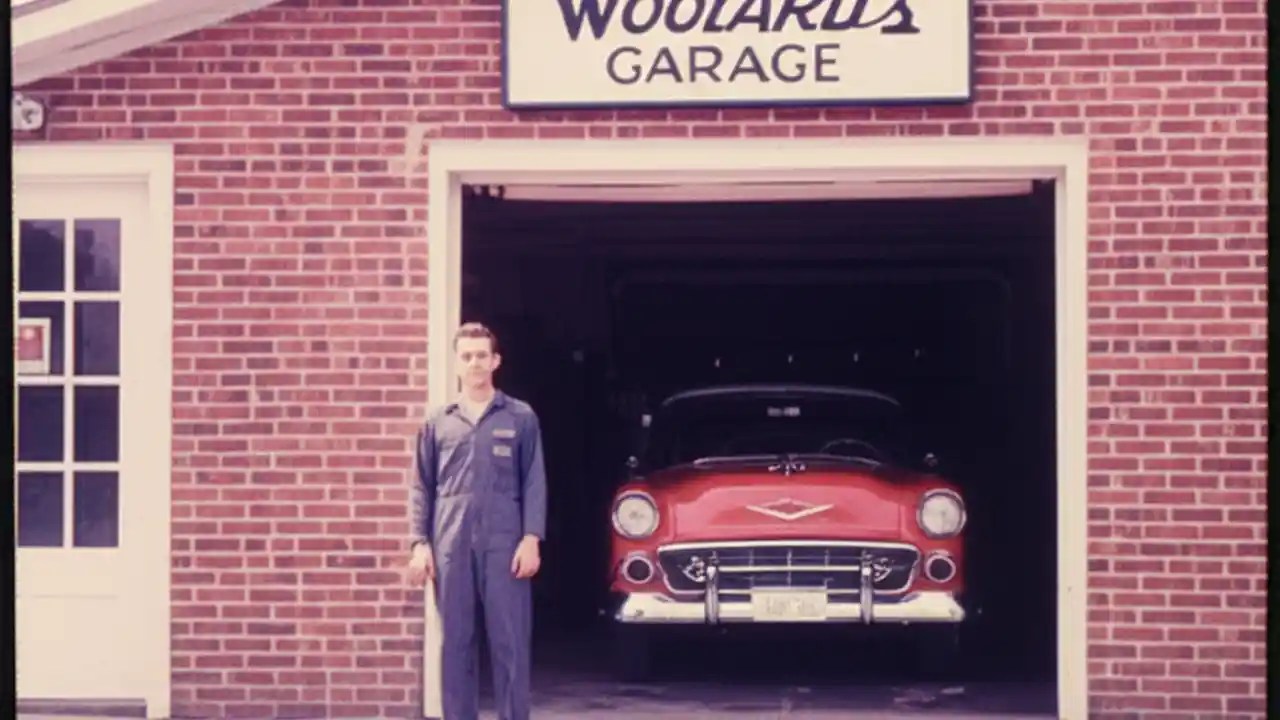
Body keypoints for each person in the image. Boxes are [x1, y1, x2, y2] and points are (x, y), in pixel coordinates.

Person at [407, 322, 548, 720]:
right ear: (456, 363)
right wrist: (419, 543)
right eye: (467, 356)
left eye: (481, 355)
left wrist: (531, 537)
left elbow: (535, 479)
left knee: (510, 643)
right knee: (456, 643)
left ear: (496, 361)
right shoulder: (438, 422)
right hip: (450, 543)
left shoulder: (520, 418)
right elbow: (421, 486)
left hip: (505, 545)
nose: (474, 363)